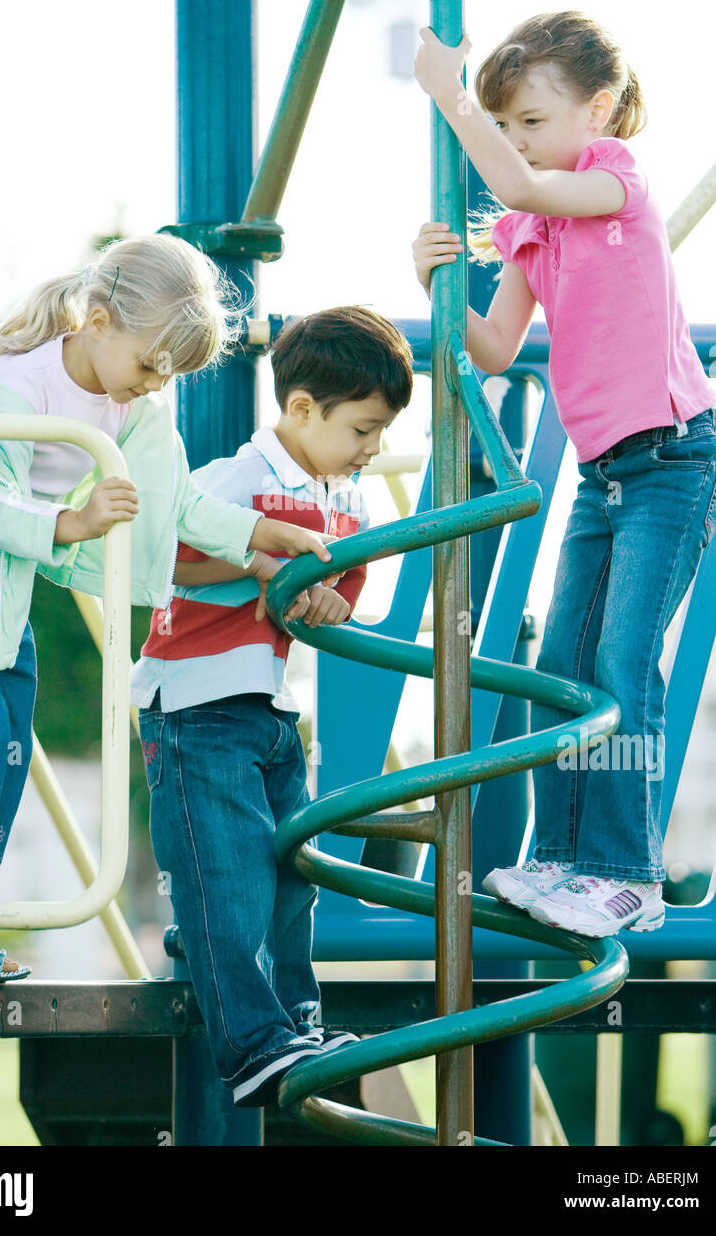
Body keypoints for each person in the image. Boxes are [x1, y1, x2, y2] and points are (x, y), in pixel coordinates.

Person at [0, 232, 334, 990]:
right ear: (100, 320)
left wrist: (255, 538)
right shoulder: (24, 384)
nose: (152, 384)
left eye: (166, 373)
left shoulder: (129, 404)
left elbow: (176, 504)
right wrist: (70, 525)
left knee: (11, 741)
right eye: (148, 364)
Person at [413, 11, 716, 937]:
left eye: (532, 119)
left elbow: (514, 179)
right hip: (603, 478)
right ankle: (561, 858)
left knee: (622, 658)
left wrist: (449, 94)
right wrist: (434, 286)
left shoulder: (612, 180)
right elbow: (494, 345)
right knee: (561, 666)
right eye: (504, 122)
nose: (515, 141)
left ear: (597, 111)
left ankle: (626, 871)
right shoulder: (531, 230)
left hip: (673, 458)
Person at [132, 305, 415, 1105]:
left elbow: (345, 579)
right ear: (300, 410)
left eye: (380, 430)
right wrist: (259, 559)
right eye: (362, 429)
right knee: (230, 877)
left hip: (266, 703)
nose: (374, 448)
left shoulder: (338, 495)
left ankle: (295, 1022)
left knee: (293, 873)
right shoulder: (236, 480)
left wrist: (332, 599)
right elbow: (174, 559)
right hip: (195, 701)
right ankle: (253, 1044)